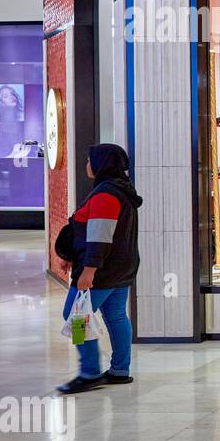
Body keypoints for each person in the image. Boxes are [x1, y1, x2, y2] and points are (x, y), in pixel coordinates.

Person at [55, 144, 141, 394]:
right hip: (120, 268)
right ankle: (120, 370)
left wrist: (89, 270)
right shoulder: (122, 190)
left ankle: (90, 371)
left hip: (101, 271)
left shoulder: (106, 194)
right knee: (116, 317)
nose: (86, 165)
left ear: (102, 163)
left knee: (75, 315)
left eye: (90, 160)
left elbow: (100, 236)